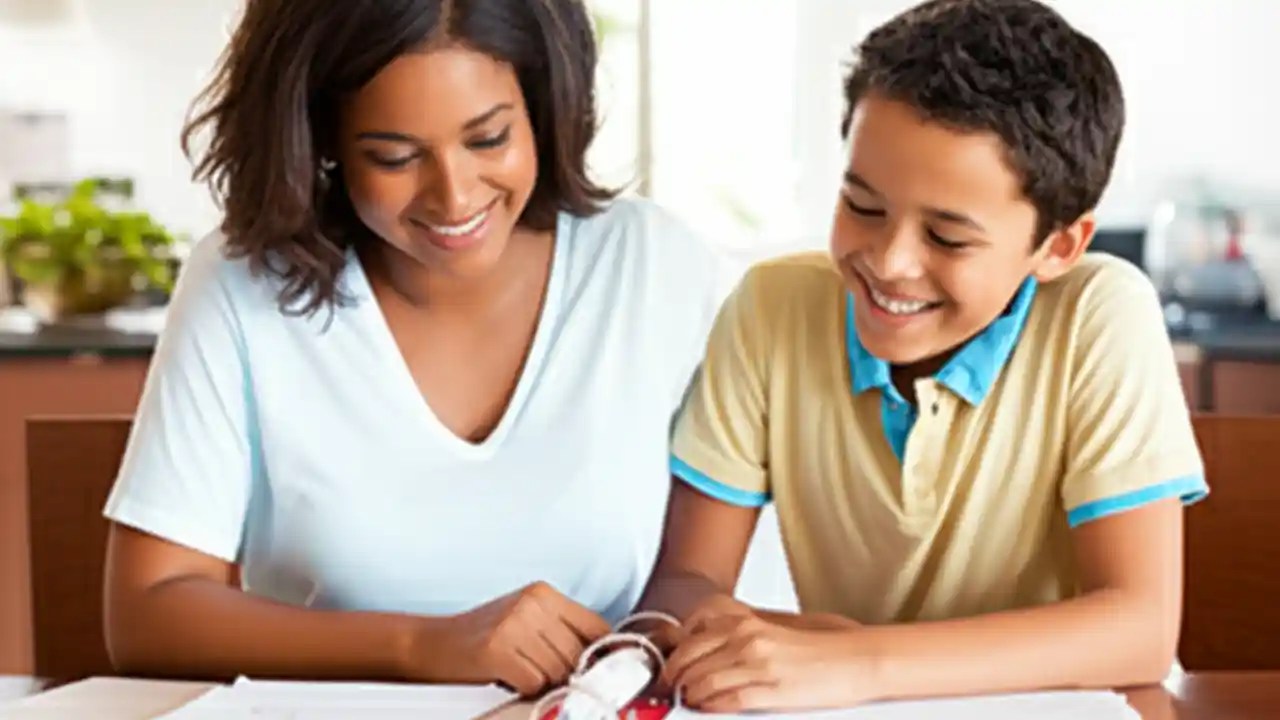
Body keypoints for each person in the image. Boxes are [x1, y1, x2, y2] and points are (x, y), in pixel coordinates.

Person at [101, 0, 722, 698]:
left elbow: (706, 588)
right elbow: (148, 614)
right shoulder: (241, 285)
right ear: (322, 140)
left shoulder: (654, 266)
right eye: (394, 156)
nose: (454, 197)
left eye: (489, 140)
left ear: (542, 105)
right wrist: (424, 645)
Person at [639, 0, 1207, 712]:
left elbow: (1140, 631)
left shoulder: (1102, 315)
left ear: (1058, 246)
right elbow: (680, 590)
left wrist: (861, 660)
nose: (889, 262)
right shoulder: (770, 310)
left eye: (947, 238)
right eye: (863, 206)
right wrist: (785, 638)